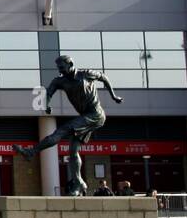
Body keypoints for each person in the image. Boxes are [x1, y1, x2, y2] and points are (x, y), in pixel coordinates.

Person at [14, 54, 123, 196]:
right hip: (85, 117)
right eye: (59, 68)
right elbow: (49, 92)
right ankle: (79, 183)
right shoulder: (60, 81)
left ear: (70, 64)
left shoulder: (86, 74)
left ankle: (31, 152)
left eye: (62, 68)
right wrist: (47, 105)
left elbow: (104, 77)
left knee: (61, 131)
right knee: (73, 151)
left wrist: (113, 96)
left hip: (95, 115)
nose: (60, 71)